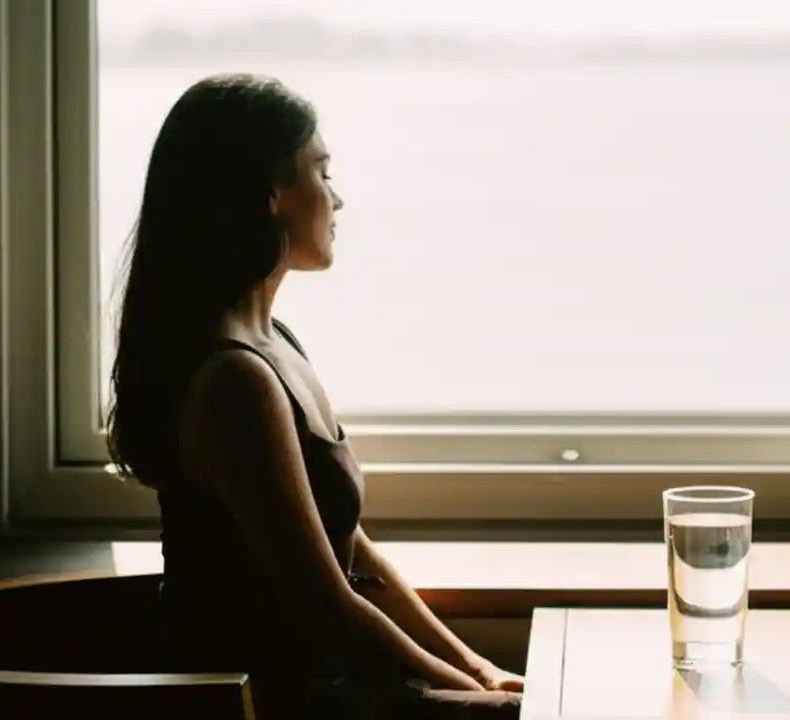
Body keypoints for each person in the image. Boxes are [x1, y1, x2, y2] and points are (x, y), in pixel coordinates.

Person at [105, 73, 523, 719]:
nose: (337, 198)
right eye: (321, 172)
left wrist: (477, 668)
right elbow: (324, 602)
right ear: (270, 192)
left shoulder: (275, 344)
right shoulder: (234, 381)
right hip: (268, 702)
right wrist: (469, 697)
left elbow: (351, 550)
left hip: (322, 684)